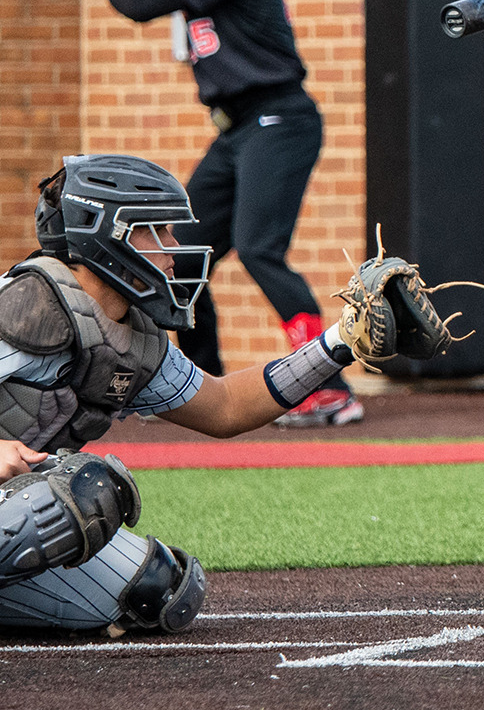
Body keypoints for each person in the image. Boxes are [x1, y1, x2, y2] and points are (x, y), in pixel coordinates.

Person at [0, 155, 436, 633]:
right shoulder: (28, 305)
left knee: (160, 590)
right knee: (74, 498)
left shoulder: (132, 337)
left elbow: (226, 406)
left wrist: (342, 341)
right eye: (157, 231)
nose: (173, 249)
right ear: (105, 231)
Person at [75, 0, 358, 427]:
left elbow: (145, 8)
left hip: (280, 118)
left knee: (258, 247)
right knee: (180, 261)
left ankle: (326, 386)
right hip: (236, 132)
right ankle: (194, 388)